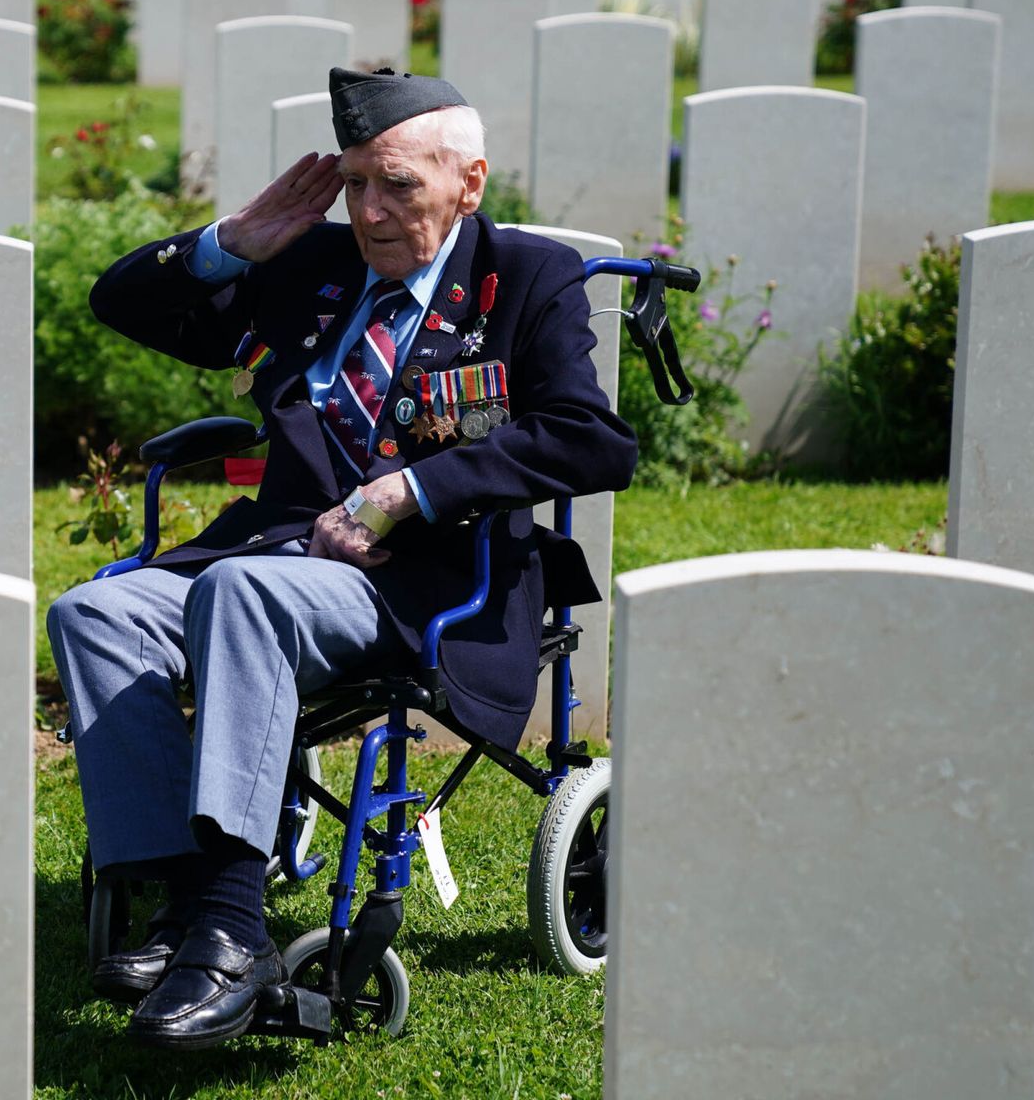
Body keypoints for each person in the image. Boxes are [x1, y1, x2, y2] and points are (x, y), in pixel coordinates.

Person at [46, 67, 639, 1050]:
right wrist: (226, 246)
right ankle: (182, 899)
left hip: (427, 579)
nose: (366, 210)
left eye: (395, 185)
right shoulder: (307, 268)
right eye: (354, 182)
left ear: (468, 183)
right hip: (274, 555)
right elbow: (124, 307)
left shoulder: (523, 279)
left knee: (242, 594)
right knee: (92, 613)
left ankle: (230, 937)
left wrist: (410, 490)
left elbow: (590, 441)